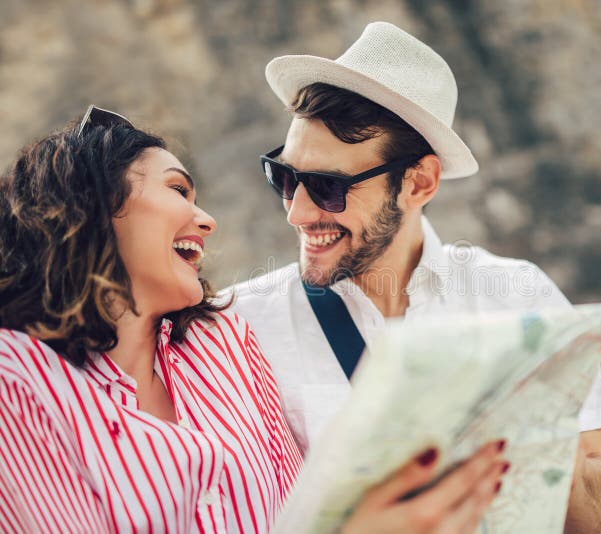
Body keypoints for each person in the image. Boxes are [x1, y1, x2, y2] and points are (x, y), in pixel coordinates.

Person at [0, 107, 508, 533]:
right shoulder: (18, 378)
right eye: (177, 190)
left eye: (328, 185)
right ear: (90, 204)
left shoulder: (225, 343)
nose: (206, 220)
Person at [228, 21, 601, 533]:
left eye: (328, 187)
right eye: (285, 178)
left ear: (419, 182)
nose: (297, 212)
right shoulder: (237, 326)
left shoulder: (518, 293)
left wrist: (531, 425)